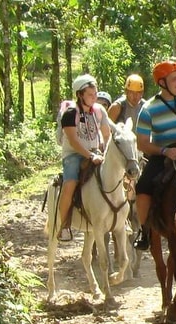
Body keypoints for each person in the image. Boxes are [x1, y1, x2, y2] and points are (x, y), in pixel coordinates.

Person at [131, 60, 176, 250]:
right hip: (165, 156)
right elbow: (142, 143)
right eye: (174, 79)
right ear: (162, 83)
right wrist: (164, 151)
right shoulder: (149, 109)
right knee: (143, 186)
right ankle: (145, 231)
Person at [54, 74, 113, 242]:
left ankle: (123, 217)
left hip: (96, 152)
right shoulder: (70, 113)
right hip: (74, 155)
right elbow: (73, 141)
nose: (94, 97)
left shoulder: (99, 111)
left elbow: (107, 134)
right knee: (70, 183)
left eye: (95, 94)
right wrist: (90, 155)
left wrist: (105, 151)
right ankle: (64, 225)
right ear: (80, 94)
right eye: (90, 94)